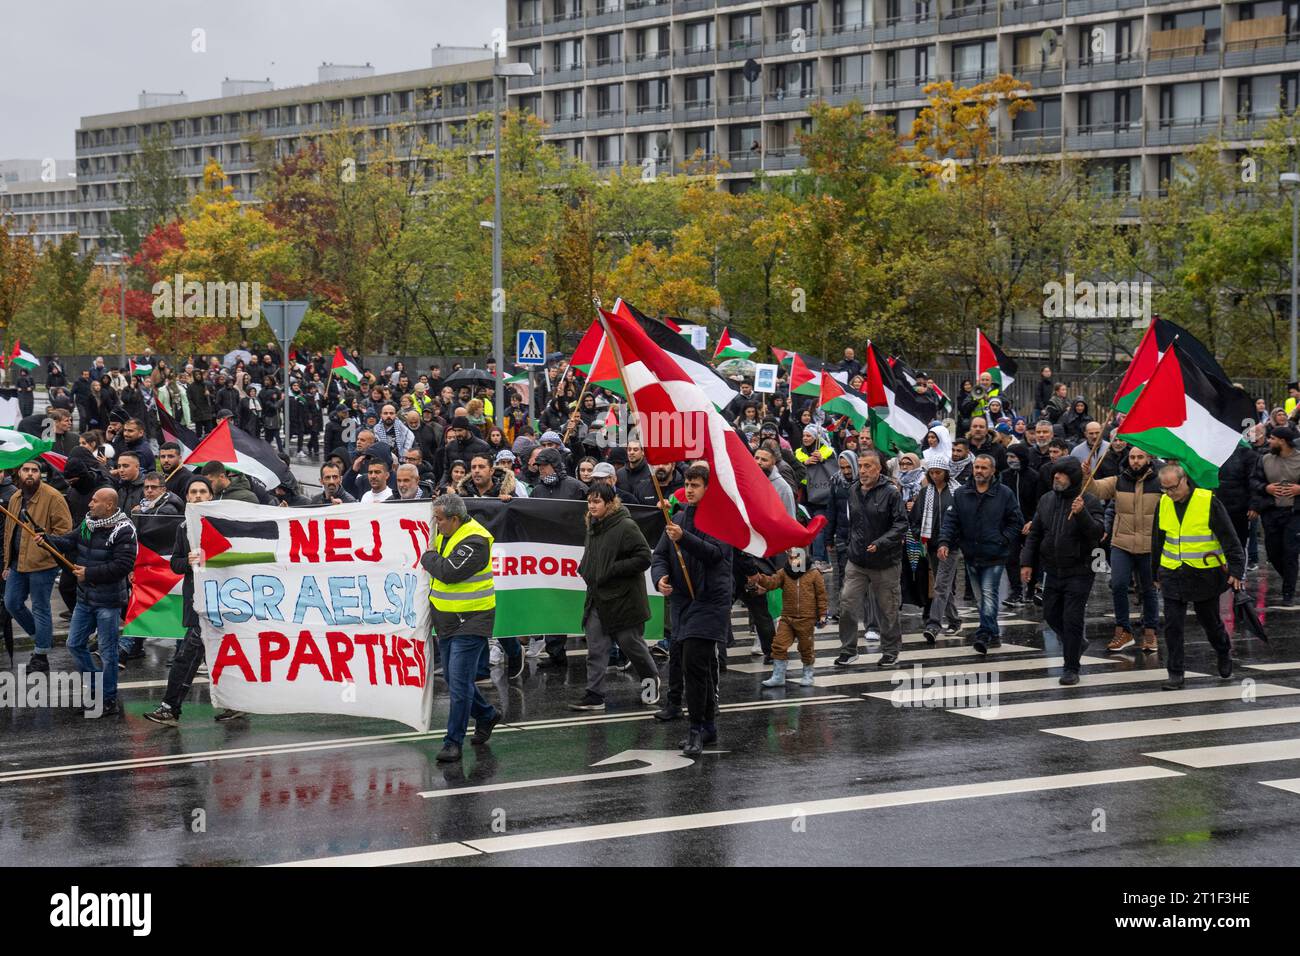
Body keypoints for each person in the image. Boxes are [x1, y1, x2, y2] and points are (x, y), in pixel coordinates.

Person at [651, 464, 732, 755]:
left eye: (696, 485)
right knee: (699, 666)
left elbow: (715, 554)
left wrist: (683, 537)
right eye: (687, 484)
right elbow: (660, 555)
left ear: (708, 488)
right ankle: (708, 725)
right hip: (683, 602)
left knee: (694, 665)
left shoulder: (721, 519)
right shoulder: (680, 517)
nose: (689, 489)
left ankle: (695, 728)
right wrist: (659, 577)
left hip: (710, 601)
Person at [38, 487, 136, 717]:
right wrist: (47, 539)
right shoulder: (88, 523)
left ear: (109, 505)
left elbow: (123, 566)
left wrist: (89, 573)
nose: (90, 504)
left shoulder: (124, 530)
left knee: (108, 651)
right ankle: (96, 689)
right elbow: (68, 542)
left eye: (95, 501)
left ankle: (108, 698)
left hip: (108, 602)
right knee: (74, 644)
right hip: (85, 598)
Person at [422, 494, 502, 762]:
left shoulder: (476, 540)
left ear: (454, 519)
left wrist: (427, 556)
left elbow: (447, 571)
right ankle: (487, 715)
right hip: (447, 621)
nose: (436, 524)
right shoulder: (448, 531)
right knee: (459, 681)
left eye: (440, 519)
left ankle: (452, 742)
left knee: (457, 685)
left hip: (471, 621)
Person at [569, 483, 661, 711]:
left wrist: (612, 569)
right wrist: (585, 567)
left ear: (610, 504)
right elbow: (593, 554)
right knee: (596, 649)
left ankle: (651, 683)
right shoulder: (593, 523)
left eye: (597, 501)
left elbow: (643, 557)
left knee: (633, 647)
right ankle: (594, 695)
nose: (591, 506)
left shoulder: (626, 525)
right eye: (589, 501)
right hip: (598, 598)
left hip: (624, 600)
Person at [1153, 464, 1243, 689]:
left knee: (1210, 622)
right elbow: (1158, 539)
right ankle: (1175, 672)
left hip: (1203, 574)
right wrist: (1155, 572)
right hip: (1172, 572)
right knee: (1172, 625)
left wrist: (1236, 570)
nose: (1169, 494)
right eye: (1164, 489)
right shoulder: (1163, 502)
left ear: (1184, 481)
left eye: (1172, 488)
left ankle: (1223, 651)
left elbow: (1229, 537)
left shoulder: (1207, 501)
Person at [1020, 457, 1104, 684]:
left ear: (1074, 477)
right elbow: (1035, 533)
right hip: (1053, 570)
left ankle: (1071, 668)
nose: (1056, 477)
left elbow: (1097, 533)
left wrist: (1082, 513)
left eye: (1062, 474)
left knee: (1072, 619)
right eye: (1055, 473)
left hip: (1080, 569)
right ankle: (1076, 642)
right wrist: (1026, 562)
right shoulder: (1047, 500)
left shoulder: (1089, 500)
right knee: (1050, 614)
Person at [937, 454, 1023, 653]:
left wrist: (1003, 539)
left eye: (984, 468)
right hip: (971, 554)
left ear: (992, 471)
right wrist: (944, 542)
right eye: (977, 467)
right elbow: (951, 520)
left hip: (995, 554)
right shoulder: (961, 493)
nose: (979, 471)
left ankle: (984, 633)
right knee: (981, 598)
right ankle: (994, 635)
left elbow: (1016, 520)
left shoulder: (1004, 493)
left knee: (988, 594)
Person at [835, 450, 908, 669]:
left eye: (868, 466)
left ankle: (890, 651)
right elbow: (852, 522)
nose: (863, 470)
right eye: (861, 465)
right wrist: (848, 545)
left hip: (885, 562)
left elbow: (901, 524)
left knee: (887, 609)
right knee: (847, 603)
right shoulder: (853, 489)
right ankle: (848, 650)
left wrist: (881, 542)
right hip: (857, 560)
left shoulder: (891, 493)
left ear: (878, 468)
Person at [3, 460, 73, 674]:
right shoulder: (15, 496)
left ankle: (41, 655)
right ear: (19, 473)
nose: (30, 474)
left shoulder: (53, 497)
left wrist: (47, 539)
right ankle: (41, 639)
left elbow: (65, 531)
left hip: (42, 562)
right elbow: (9, 533)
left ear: (40, 474)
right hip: (17, 563)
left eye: (35, 470)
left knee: (41, 607)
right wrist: (7, 563)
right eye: (26, 470)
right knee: (12, 603)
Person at [1090, 446, 1161, 653]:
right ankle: (1123, 630)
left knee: (1149, 590)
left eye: (1140, 457)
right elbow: (1095, 488)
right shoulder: (1119, 480)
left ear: (1149, 458)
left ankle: (1150, 632)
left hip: (1149, 545)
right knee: (1119, 585)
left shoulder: (1159, 482)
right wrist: (1086, 473)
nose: (1135, 461)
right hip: (1122, 543)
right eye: (1132, 457)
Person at [751, 547, 827, 687]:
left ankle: (807, 673)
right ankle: (778, 676)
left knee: (806, 647)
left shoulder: (814, 574)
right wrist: (760, 578)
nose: (792, 561)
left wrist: (822, 615)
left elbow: (821, 596)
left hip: (806, 618)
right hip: (787, 617)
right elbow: (772, 582)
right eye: (790, 558)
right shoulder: (783, 573)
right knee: (779, 645)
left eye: (796, 558)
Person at [912, 453, 962, 642]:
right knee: (944, 583)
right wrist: (919, 535)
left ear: (946, 473)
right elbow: (916, 517)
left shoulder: (958, 492)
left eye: (938, 472)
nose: (935, 476)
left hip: (950, 546)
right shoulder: (926, 493)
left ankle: (934, 624)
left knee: (940, 584)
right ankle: (955, 620)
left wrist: (951, 541)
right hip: (931, 544)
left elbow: (960, 521)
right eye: (931, 472)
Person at [1250, 425, 1300, 605]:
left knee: (1290, 552)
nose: (1269, 441)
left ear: (1283, 441)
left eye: (1272, 438)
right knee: (1273, 552)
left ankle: (1288, 592)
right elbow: (1254, 481)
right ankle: (1290, 577)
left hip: (1294, 513)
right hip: (1271, 512)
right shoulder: (1265, 459)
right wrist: (1266, 487)